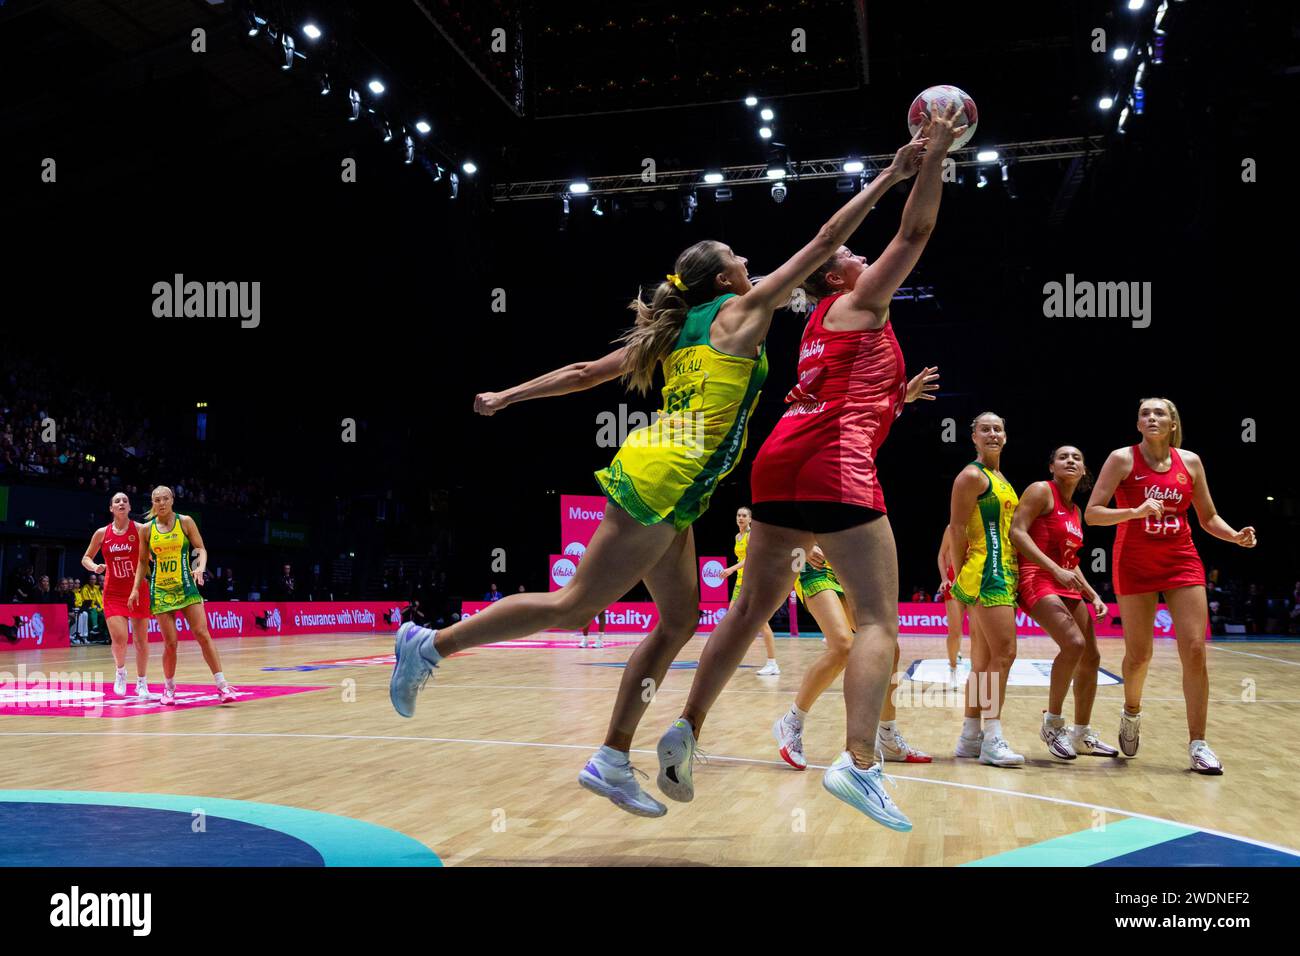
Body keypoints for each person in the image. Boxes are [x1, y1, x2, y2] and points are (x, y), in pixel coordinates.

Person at [392, 124, 935, 820]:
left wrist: (508, 395)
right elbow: (828, 240)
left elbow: (585, 372)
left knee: (680, 617)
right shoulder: (743, 309)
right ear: (724, 280)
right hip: (662, 474)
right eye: (739, 259)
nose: (750, 260)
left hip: (680, 485)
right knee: (575, 606)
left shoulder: (678, 329)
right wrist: (890, 176)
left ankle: (613, 758)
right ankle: (431, 646)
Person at [652, 103, 962, 832]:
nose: (863, 255)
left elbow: (845, 394)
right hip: (834, 465)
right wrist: (937, 154)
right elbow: (914, 232)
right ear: (837, 277)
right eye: (854, 256)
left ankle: (686, 729)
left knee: (748, 608)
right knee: (880, 619)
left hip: (780, 460)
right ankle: (859, 760)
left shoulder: (820, 327)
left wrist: (896, 393)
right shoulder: (858, 297)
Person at [1085, 398, 1256, 774]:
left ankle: (1198, 743)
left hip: (1182, 559)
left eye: (1158, 413)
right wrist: (1134, 511)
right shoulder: (1122, 459)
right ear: (1138, 423)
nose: (1150, 417)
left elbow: (1208, 517)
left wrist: (1234, 536)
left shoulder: (1190, 462)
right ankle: (1131, 711)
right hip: (1133, 562)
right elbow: (1093, 513)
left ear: (1173, 423)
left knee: (1195, 650)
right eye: (1144, 413)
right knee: (1140, 655)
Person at [773, 544, 932, 770]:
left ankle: (887, 737)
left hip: (844, 563)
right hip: (809, 562)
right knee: (842, 646)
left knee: (888, 647)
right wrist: (802, 545)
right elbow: (778, 515)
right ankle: (791, 722)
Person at [1008, 447, 1118, 759]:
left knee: (1092, 657)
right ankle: (1053, 724)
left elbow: (1072, 560)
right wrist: (1053, 568)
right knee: (1073, 644)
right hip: (1035, 577)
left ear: (1084, 471)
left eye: (1077, 458)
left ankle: (1082, 733)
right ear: (1052, 466)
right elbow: (1017, 532)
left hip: (1064, 581)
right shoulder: (1041, 491)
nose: (1070, 461)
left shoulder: (1075, 511)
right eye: (1063, 457)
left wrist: (1091, 593)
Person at [945, 412, 1024, 768]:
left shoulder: (1001, 478)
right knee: (1004, 656)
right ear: (973, 437)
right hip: (986, 574)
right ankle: (993, 738)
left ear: (1005, 436)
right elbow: (957, 529)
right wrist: (965, 577)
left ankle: (969, 736)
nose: (993, 433)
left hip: (1001, 572)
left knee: (980, 662)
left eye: (998, 428)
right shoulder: (972, 476)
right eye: (985, 429)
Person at [128, 486, 237, 705]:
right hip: (160, 590)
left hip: (186, 587)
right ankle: (169, 689)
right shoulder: (147, 530)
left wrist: (199, 567)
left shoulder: (185, 521)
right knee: (171, 643)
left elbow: (201, 549)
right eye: (157, 500)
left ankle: (222, 685)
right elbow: (141, 562)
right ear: (152, 502)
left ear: (172, 500)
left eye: (165, 499)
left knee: (202, 634)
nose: (161, 503)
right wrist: (135, 589)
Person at [82, 492, 155, 698]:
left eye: (125, 501)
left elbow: (150, 556)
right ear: (111, 508)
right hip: (113, 592)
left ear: (129, 507)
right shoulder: (101, 533)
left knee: (141, 641)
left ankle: (142, 682)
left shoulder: (140, 530)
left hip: (138, 590)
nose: (121, 503)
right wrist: (95, 567)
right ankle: (120, 673)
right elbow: (86, 558)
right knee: (120, 637)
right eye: (117, 501)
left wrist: (151, 554)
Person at [721, 506, 779, 675]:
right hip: (740, 582)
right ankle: (727, 656)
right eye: (738, 515)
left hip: (753, 581)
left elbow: (750, 558)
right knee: (731, 618)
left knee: (761, 622)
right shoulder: (737, 536)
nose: (741, 517)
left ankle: (772, 663)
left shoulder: (751, 535)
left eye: (744, 515)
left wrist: (731, 569)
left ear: (750, 519)